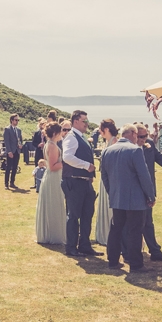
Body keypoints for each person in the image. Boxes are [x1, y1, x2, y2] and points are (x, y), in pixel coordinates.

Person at [101, 124, 156, 271]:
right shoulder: (135, 150)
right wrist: (150, 195)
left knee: (116, 229)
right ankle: (136, 264)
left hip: (117, 197)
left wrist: (111, 192)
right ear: (132, 134)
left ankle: (112, 261)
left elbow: (104, 176)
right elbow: (144, 176)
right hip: (136, 199)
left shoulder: (107, 151)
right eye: (137, 135)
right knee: (135, 231)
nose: (138, 138)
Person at [135, 123, 162, 262]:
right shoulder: (128, 147)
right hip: (133, 190)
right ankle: (129, 252)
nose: (144, 139)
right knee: (130, 223)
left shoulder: (149, 145)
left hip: (148, 190)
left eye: (145, 136)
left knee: (148, 221)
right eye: (140, 136)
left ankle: (155, 252)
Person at [61, 110, 98, 257]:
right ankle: (71, 247)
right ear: (76, 121)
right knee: (74, 215)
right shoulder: (71, 137)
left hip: (85, 182)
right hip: (74, 181)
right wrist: (85, 165)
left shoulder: (81, 137)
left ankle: (84, 245)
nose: (87, 124)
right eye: (85, 121)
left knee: (87, 214)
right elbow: (67, 156)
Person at [34, 123, 67, 244]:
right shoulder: (52, 146)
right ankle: (54, 234)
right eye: (60, 132)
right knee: (54, 203)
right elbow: (52, 166)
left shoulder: (51, 144)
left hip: (53, 177)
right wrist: (65, 162)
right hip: (53, 177)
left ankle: (52, 232)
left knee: (55, 203)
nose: (62, 134)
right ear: (54, 134)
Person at [93, 119, 120, 247]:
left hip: (110, 179)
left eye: (101, 129)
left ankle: (110, 235)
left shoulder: (114, 141)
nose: (99, 131)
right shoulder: (107, 141)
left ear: (107, 130)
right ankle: (104, 234)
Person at [3, 114, 23, 189]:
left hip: (17, 151)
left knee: (15, 167)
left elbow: (20, 140)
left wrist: (21, 145)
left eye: (18, 120)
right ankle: (6, 184)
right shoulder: (7, 129)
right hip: (11, 151)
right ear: (11, 120)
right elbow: (6, 141)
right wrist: (9, 151)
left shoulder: (19, 130)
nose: (17, 121)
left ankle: (12, 182)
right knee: (8, 167)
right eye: (16, 120)